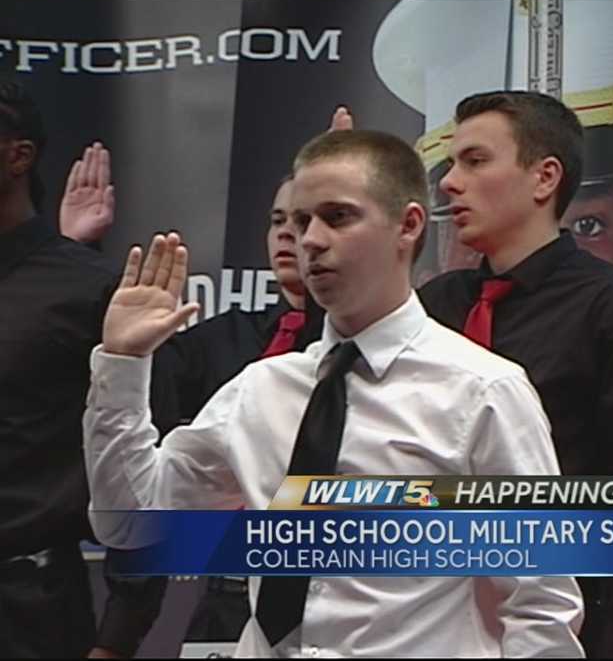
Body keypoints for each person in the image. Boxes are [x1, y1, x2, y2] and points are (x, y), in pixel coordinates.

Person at [82, 128, 585, 657]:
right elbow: (132, 526)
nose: (311, 241)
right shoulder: (264, 388)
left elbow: (540, 600)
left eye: (338, 217)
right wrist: (123, 363)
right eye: (300, 222)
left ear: (409, 225)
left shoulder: (482, 390)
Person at [418, 90, 613, 657]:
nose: (449, 183)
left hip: (562, 621)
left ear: (544, 178)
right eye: (451, 164)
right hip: (425, 619)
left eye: (475, 161)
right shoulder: (433, 307)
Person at [0, 79, 116, 657]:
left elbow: (139, 467)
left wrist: (120, 638)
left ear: (18, 155)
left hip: (30, 610)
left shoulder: (89, 288)